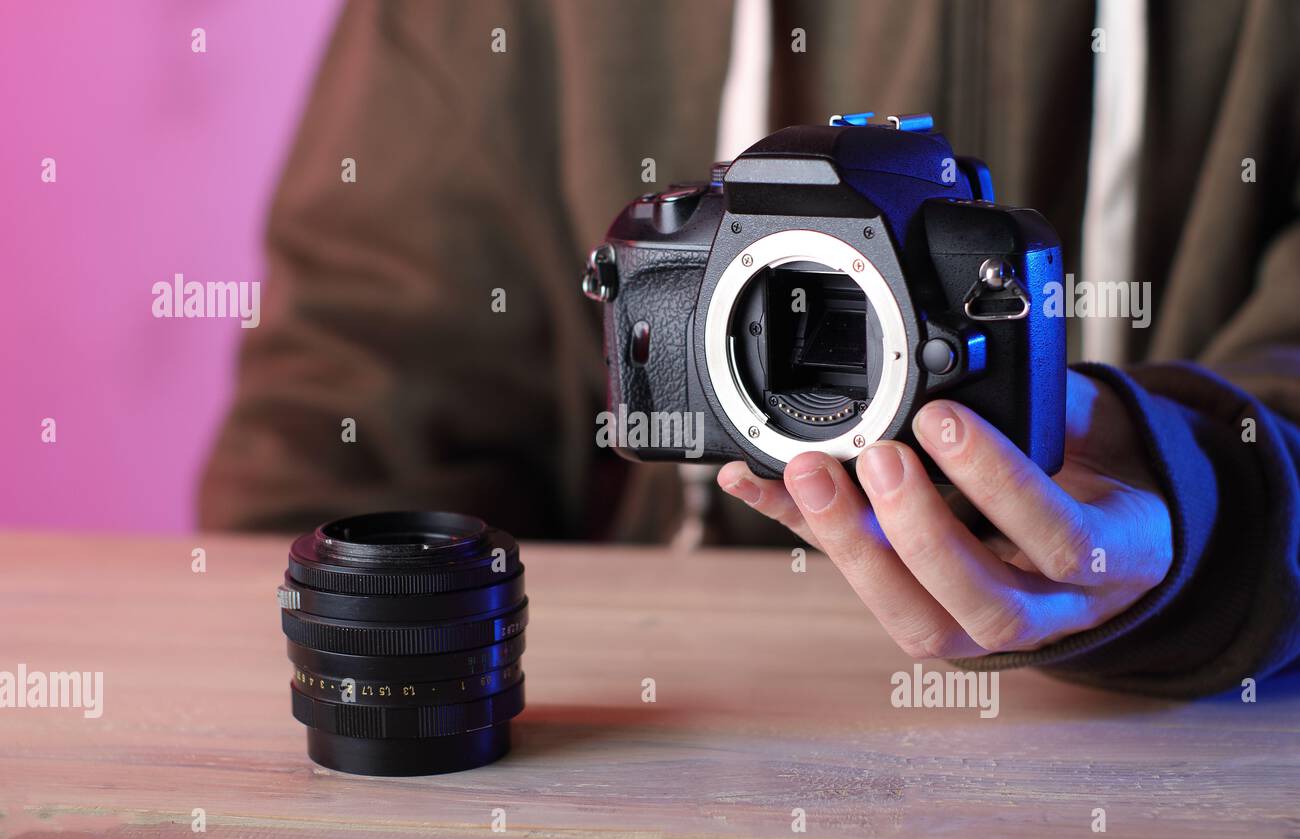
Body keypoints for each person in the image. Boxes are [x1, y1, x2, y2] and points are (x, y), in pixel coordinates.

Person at [200, 0, 1300, 698]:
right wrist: (392, 674)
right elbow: (346, 418)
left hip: (1204, 752)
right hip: (673, 715)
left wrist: (1213, 497)